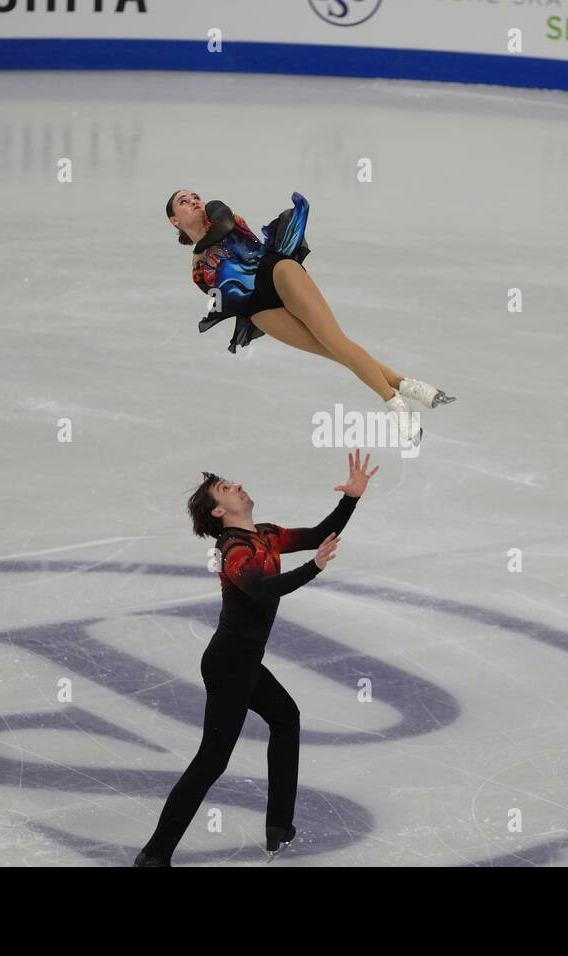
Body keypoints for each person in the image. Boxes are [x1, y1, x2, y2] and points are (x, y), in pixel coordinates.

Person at [134, 449, 379, 866]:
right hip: (229, 665)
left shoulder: (266, 534)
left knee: (285, 718)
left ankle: (278, 827)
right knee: (211, 761)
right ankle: (154, 855)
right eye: (226, 488)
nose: (237, 486)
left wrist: (350, 498)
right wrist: (314, 569)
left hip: (243, 662)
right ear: (218, 510)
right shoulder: (233, 551)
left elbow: (319, 534)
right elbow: (261, 589)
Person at [166, 188, 455, 447]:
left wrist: (202, 249)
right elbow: (224, 298)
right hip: (257, 308)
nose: (194, 200)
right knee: (329, 350)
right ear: (174, 221)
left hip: (276, 273)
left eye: (194, 196)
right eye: (184, 201)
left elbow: (224, 228)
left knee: (334, 340)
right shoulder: (197, 270)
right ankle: (409, 386)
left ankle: (396, 405)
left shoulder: (218, 211)